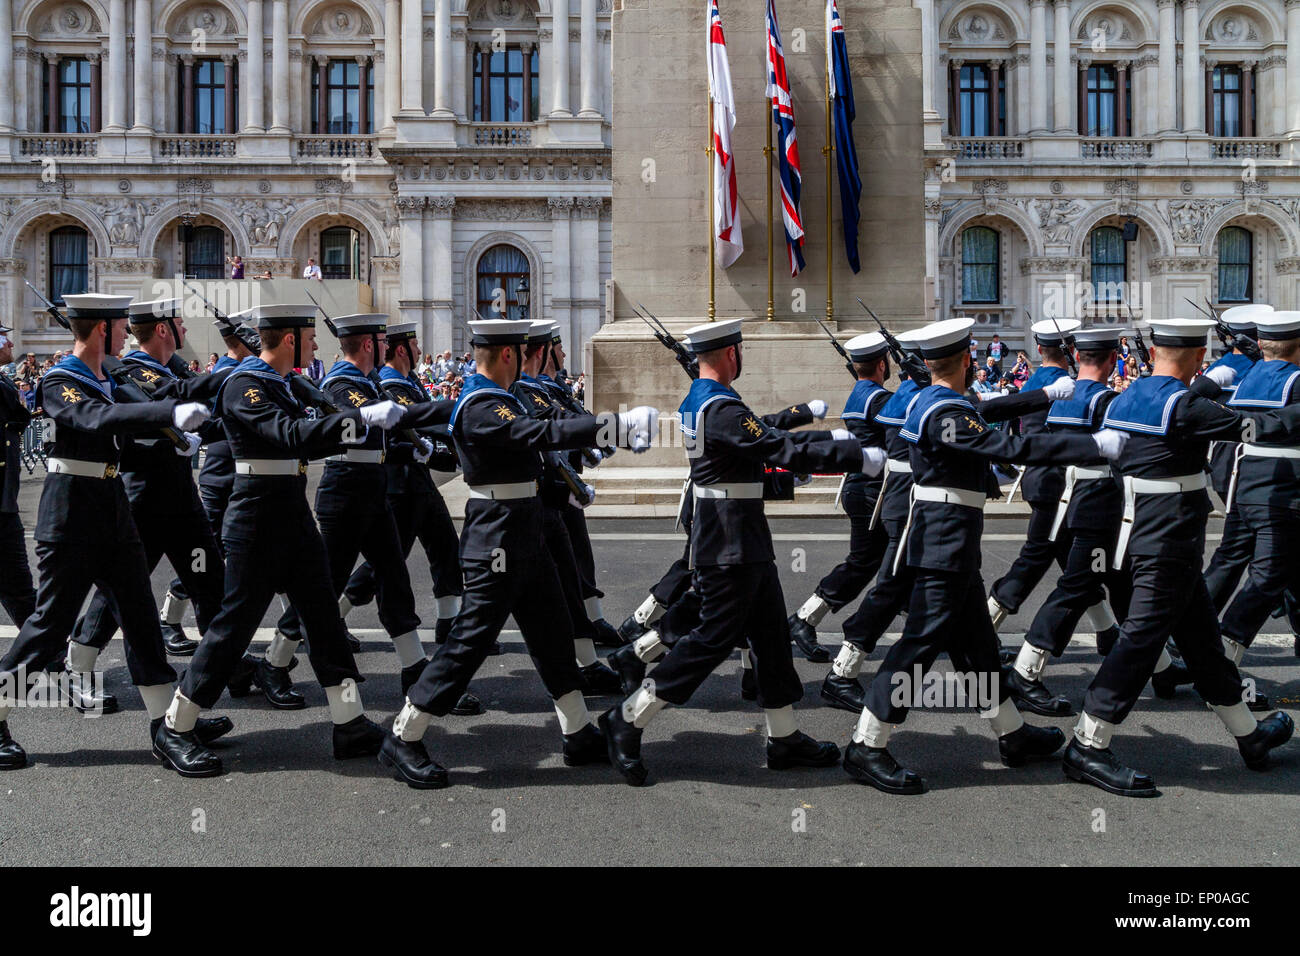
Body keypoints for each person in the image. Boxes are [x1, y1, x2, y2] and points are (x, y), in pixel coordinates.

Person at [840, 317, 1123, 795]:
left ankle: (1011, 732)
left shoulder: (939, 401)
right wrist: (1090, 444)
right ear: (969, 360)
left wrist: (1044, 397)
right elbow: (1008, 443)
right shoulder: (946, 412)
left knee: (977, 648)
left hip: (951, 540)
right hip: (942, 542)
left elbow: (989, 411)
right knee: (919, 644)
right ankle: (867, 743)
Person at [378, 318, 659, 789]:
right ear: (509, 355)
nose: (527, 359)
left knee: (552, 633)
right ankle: (404, 734)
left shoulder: (490, 399)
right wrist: (615, 425)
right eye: (524, 352)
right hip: (496, 539)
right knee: (470, 641)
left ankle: (576, 730)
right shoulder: (484, 405)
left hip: (524, 531)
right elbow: (538, 432)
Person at [601, 319, 873, 787]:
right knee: (711, 638)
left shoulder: (701, 399)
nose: (741, 357)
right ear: (730, 354)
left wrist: (815, 451)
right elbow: (774, 445)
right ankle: (629, 715)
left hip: (740, 536)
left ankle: (784, 736)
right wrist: (852, 455)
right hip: (729, 541)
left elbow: (749, 455)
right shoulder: (722, 405)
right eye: (740, 350)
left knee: (769, 636)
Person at [155, 303, 407, 777]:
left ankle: (349, 721)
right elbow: (288, 434)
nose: (316, 345)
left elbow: (317, 426)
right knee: (235, 624)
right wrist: (360, 421)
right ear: (290, 339)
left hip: (291, 508)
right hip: (256, 515)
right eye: (310, 338)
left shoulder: (289, 383)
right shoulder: (243, 385)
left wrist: (357, 418)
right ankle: (176, 724)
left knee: (324, 621)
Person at [1064, 317, 1297, 797]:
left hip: (1147, 534)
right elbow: (1256, 427)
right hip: (1166, 540)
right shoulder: (1187, 405)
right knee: (1140, 642)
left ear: (1153, 353)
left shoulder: (1127, 395)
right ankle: (1088, 743)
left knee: (1204, 645)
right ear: (1196, 357)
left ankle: (1250, 738)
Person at [0, 294, 221, 773]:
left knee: (141, 619)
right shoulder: (63, 380)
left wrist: (181, 411)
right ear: (102, 329)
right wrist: (166, 416)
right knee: (48, 626)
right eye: (121, 325)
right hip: (71, 513)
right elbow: (95, 419)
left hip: (113, 507)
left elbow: (152, 401)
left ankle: (167, 727)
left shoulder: (111, 376)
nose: (128, 332)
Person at [1006, 325, 1192, 717]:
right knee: (1078, 585)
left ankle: (1159, 667)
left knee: (1122, 585)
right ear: (1112, 360)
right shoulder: (1109, 401)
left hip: (1069, 498)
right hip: (1100, 504)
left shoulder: (1064, 397)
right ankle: (1026, 668)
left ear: (1078, 357)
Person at [65, 299, 235, 715]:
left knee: (209, 580)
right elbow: (156, 404)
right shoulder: (132, 370)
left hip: (180, 499)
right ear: (162, 330)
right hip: (144, 499)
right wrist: (223, 376)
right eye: (179, 323)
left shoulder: (171, 368)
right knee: (117, 597)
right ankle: (79, 667)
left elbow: (195, 413)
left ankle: (221, 672)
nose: (185, 331)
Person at [271, 313, 440, 708]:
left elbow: (381, 438)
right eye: (382, 342)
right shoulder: (341, 384)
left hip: (373, 490)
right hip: (344, 493)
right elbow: (363, 427)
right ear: (369, 345)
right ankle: (275, 662)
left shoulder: (370, 382)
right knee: (322, 587)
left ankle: (414, 669)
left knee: (394, 579)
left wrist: (412, 447)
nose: (387, 348)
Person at [338, 321, 470, 704]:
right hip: (396, 484)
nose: (417, 349)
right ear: (398, 350)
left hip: (417, 480)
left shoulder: (402, 382)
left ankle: (449, 628)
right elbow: (419, 419)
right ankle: (335, 614)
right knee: (382, 566)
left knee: (445, 549)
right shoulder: (390, 384)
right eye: (413, 344)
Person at [787, 333, 893, 664]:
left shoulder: (860, 394)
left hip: (865, 488)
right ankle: (811, 622)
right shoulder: (878, 399)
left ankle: (806, 618)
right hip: (872, 491)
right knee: (884, 564)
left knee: (869, 563)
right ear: (881, 364)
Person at [1214, 311, 1300, 703]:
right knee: (1266, 578)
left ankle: (1190, 644)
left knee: (1234, 563)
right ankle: (1219, 664)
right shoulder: (1295, 382)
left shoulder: (1250, 375)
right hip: (1284, 493)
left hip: (1243, 483)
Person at [987, 319, 1081, 643]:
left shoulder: (1032, 383)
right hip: (1060, 482)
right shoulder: (1070, 385)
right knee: (1037, 560)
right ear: (1071, 350)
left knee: (1079, 570)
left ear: (1039, 349)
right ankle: (984, 626)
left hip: (1041, 478)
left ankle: (1112, 635)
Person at [0, 322, 35, 630]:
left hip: (4, 502)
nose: (9, 342)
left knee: (17, 587)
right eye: (2, 337)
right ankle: (48, 656)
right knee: (18, 585)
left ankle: (47, 655)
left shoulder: (3, 382)